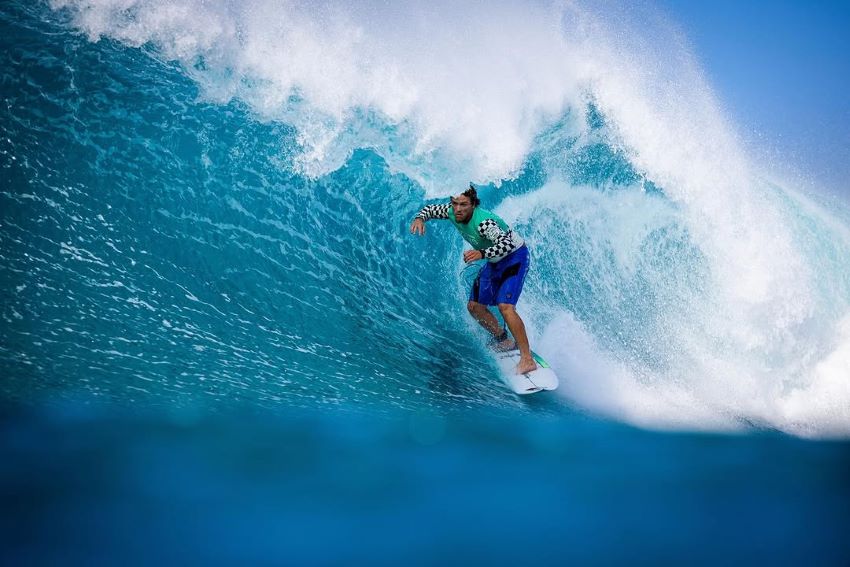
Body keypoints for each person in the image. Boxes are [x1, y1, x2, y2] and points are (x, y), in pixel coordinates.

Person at [410, 184, 537, 375]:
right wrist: (420, 218)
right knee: (474, 307)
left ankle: (527, 359)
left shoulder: (484, 223)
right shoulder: (451, 212)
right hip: (494, 261)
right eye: (454, 204)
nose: (458, 209)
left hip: (514, 257)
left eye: (463, 204)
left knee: (506, 307)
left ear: (473, 204)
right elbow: (430, 209)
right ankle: (503, 339)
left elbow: (507, 244)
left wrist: (481, 253)